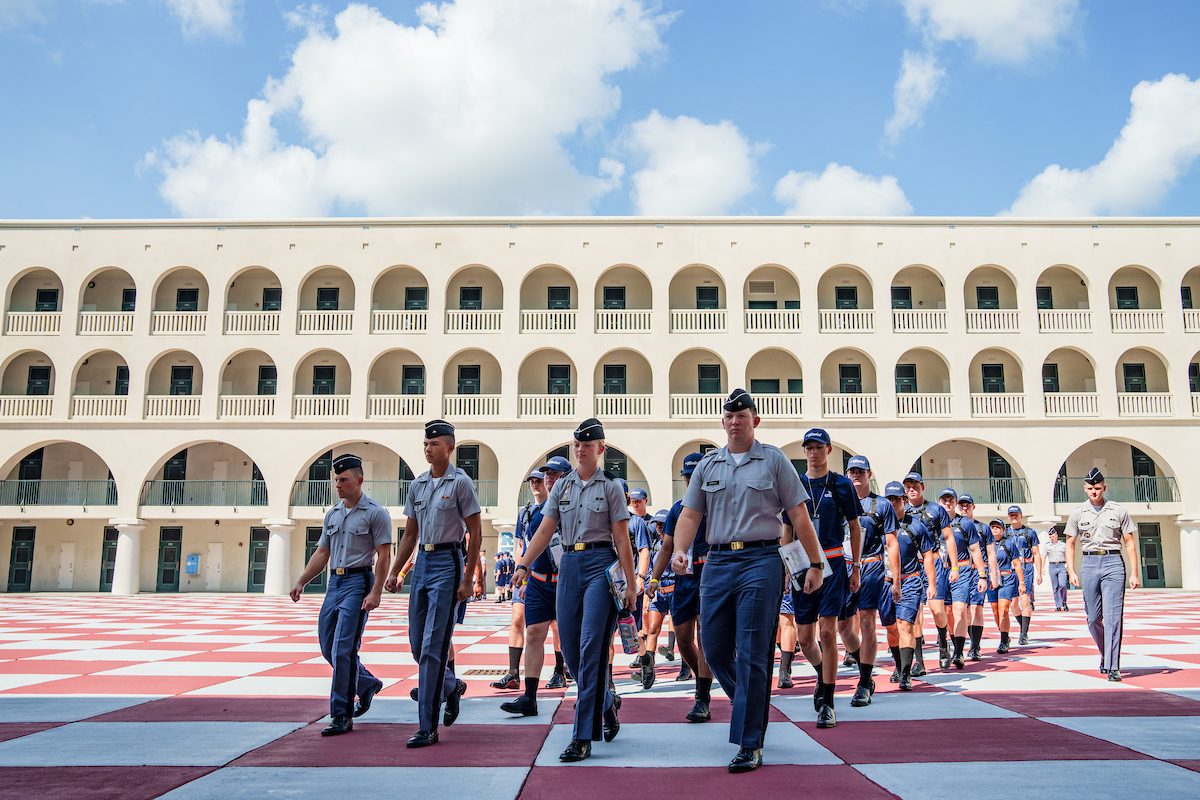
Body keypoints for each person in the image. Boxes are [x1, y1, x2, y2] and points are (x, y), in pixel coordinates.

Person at [670, 390, 824, 773]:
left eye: (743, 415)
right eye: (729, 415)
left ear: (755, 421)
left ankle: (750, 742)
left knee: (754, 648)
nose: (735, 421)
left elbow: (800, 515)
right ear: (723, 422)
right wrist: (681, 550)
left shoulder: (773, 461)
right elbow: (690, 514)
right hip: (718, 561)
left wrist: (816, 563)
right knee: (716, 647)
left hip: (761, 560)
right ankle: (752, 704)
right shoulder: (708, 465)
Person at [512, 418, 637, 762]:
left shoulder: (611, 486)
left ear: (601, 449)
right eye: (577, 445)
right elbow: (543, 531)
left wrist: (630, 583)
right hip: (568, 564)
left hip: (600, 566)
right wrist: (523, 564)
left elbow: (622, 539)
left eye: (587, 445)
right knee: (569, 650)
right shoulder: (562, 487)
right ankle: (607, 703)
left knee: (590, 646)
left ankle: (582, 736)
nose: (581, 449)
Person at [384, 420, 482, 748]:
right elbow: (409, 534)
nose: (428, 449)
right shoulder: (418, 485)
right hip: (423, 565)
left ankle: (427, 726)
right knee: (416, 643)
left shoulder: (461, 483)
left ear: (450, 447)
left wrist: (468, 578)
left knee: (433, 646)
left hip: (448, 562)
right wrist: (396, 572)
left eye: (435, 443)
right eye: (426, 444)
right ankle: (451, 686)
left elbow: (476, 534)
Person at [290, 454, 392, 736]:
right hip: (333, 585)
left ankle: (341, 714)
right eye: (336, 479)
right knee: (327, 647)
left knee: (343, 649)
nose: (338, 484)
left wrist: (376, 592)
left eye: (343, 479)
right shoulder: (332, 514)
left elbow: (384, 555)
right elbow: (322, 552)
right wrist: (302, 580)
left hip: (358, 583)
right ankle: (366, 683)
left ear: (359, 480)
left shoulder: (375, 513)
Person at [792, 429, 861, 729]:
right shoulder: (795, 483)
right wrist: (786, 566)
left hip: (833, 562)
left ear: (829, 450)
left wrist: (856, 566)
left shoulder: (843, 485)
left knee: (828, 633)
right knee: (805, 639)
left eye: (819, 447)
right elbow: (787, 527)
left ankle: (829, 704)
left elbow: (856, 527)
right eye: (809, 447)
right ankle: (823, 674)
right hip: (801, 564)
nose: (813, 452)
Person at [501, 457, 572, 716]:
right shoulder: (536, 511)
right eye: (547, 474)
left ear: (568, 477)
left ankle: (597, 693)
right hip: (540, 582)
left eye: (555, 474)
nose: (549, 478)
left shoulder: (575, 506)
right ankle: (529, 698)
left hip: (568, 582)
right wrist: (523, 568)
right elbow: (533, 541)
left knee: (572, 640)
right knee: (533, 635)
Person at [648, 452, 713, 722]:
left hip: (712, 575)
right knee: (684, 640)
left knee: (705, 639)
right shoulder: (678, 508)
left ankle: (702, 697)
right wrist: (653, 579)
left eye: (695, 475)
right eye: (687, 476)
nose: (691, 480)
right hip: (683, 578)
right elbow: (666, 547)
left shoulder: (716, 504)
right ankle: (703, 680)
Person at [1064, 469, 1140, 682]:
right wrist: (1071, 571)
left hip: (1113, 563)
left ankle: (1113, 665)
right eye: (1090, 489)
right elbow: (1070, 544)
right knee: (1093, 618)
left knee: (1114, 618)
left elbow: (1130, 543)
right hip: (1089, 563)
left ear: (1104, 488)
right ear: (1085, 489)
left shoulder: (1118, 510)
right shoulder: (1078, 512)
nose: (1094, 492)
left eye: (1098, 488)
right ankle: (1105, 652)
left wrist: (1134, 573)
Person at [845, 456, 897, 706]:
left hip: (870, 566)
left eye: (860, 471)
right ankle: (862, 665)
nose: (856, 475)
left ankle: (864, 683)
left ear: (869, 474)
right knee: (843, 628)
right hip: (843, 567)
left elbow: (892, 543)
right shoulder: (841, 501)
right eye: (852, 471)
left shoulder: (882, 505)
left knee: (867, 623)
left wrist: (894, 579)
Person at [493, 470, 545, 690]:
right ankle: (513, 673)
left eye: (538, 481)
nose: (535, 485)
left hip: (547, 574)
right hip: (526, 575)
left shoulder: (553, 510)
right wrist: (520, 572)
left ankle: (561, 670)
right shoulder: (524, 513)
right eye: (532, 481)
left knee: (554, 626)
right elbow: (520, 545)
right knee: (517, 620)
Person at [883, 482, 936, 691]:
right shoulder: (879, 525)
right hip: (884, 582)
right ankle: (898, 665)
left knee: (906, 625)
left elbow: (928, 556)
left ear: (904, 500)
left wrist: (931, 584)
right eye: (889, 499)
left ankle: (906, 673)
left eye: (897, 499)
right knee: (891, 628)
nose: (893, 503)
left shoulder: (916, 525)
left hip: (910, 580)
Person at [903, 473, 958, 672]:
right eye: (908, 485)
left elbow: (949, 537)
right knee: (915, 615)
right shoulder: (903, 511)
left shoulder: (936, 509)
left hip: (934, 562)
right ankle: (919, 661)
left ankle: (943, 644)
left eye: (915, 485)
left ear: (922, 487)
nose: (911, 488)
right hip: (912, 567)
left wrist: (954, 566)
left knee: (937, 610)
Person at [937, 488, 988, 669]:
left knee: (960, 609)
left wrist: (982, 575)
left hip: (963, 569)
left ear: (955, 502)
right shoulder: (934, 522)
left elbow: (975, 550)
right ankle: (950, 643)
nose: (948, 503)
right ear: (939, 502)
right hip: (941, 570)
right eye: (944, 499)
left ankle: (959, 653)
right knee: (947, 613)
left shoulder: (965, 524)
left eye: (951, 499)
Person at [957, 495, 999, 660]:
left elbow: (990, 552)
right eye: (961, 505)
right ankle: (970, 640)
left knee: (976, 608)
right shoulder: (954, 526)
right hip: (960, 571)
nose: (964, 508)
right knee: (963, 610)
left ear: (973, 507)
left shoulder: (982, 528)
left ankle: (975, 647)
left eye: (968, 505)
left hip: (977, 572)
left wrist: (993, 575)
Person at [987, 518, 1026, 654]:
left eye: (998, 527)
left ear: (1003, 530)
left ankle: (1003, 641)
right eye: (992, 527)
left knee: (1003, 609)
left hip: (1007, 577)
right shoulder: (987, 544)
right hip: (991, 579)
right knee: (996, 611)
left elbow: (1016, 564)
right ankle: (1005, 635)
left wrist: (1021, 582)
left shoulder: (1009, 543)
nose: (995, 529)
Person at [1007, 506, 1042, 645]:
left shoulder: (1029, 532)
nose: (1013, 517)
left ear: (1021, 516)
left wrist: (1039, 572)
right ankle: (1023, 625)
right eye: (1011, 515)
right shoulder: (1005, 533)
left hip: (1026, 568)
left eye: (1016, 514)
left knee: (1025, 600)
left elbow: (1036, 553)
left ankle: (1024, 634)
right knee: (1013, 604)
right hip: (1010, 570)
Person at [1044, 529, 1070, 611]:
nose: (1052, 538)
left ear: (1056, 536)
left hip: (1062, 565)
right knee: (1055, 586)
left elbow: (1068, 555)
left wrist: (1069, 566)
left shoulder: (1063, 545)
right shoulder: (1047, 546)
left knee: (1063, 584)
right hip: (1052, 566)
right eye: (1050, 537)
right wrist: (1042, 568)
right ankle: (1058, 605)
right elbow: (1043, 556)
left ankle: (1064, 602)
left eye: (1053, 536)